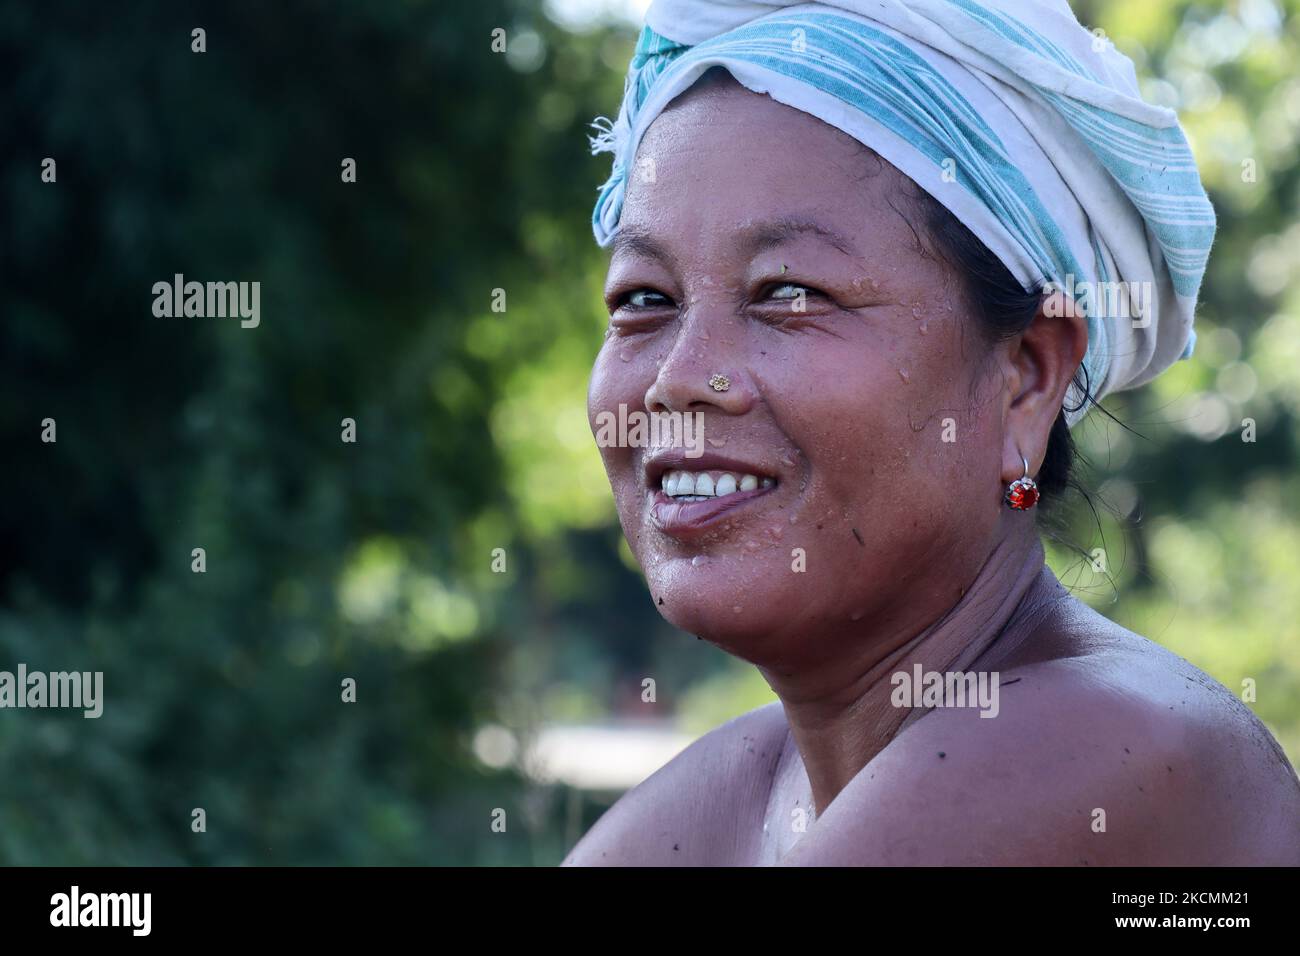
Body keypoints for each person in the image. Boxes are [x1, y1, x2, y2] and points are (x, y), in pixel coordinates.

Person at [565, 0, 1300, 865]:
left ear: (1025, 379)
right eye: (644, 299)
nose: (679, 378)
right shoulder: (715, 800)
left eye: (788, 294)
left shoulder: (1103, 744)